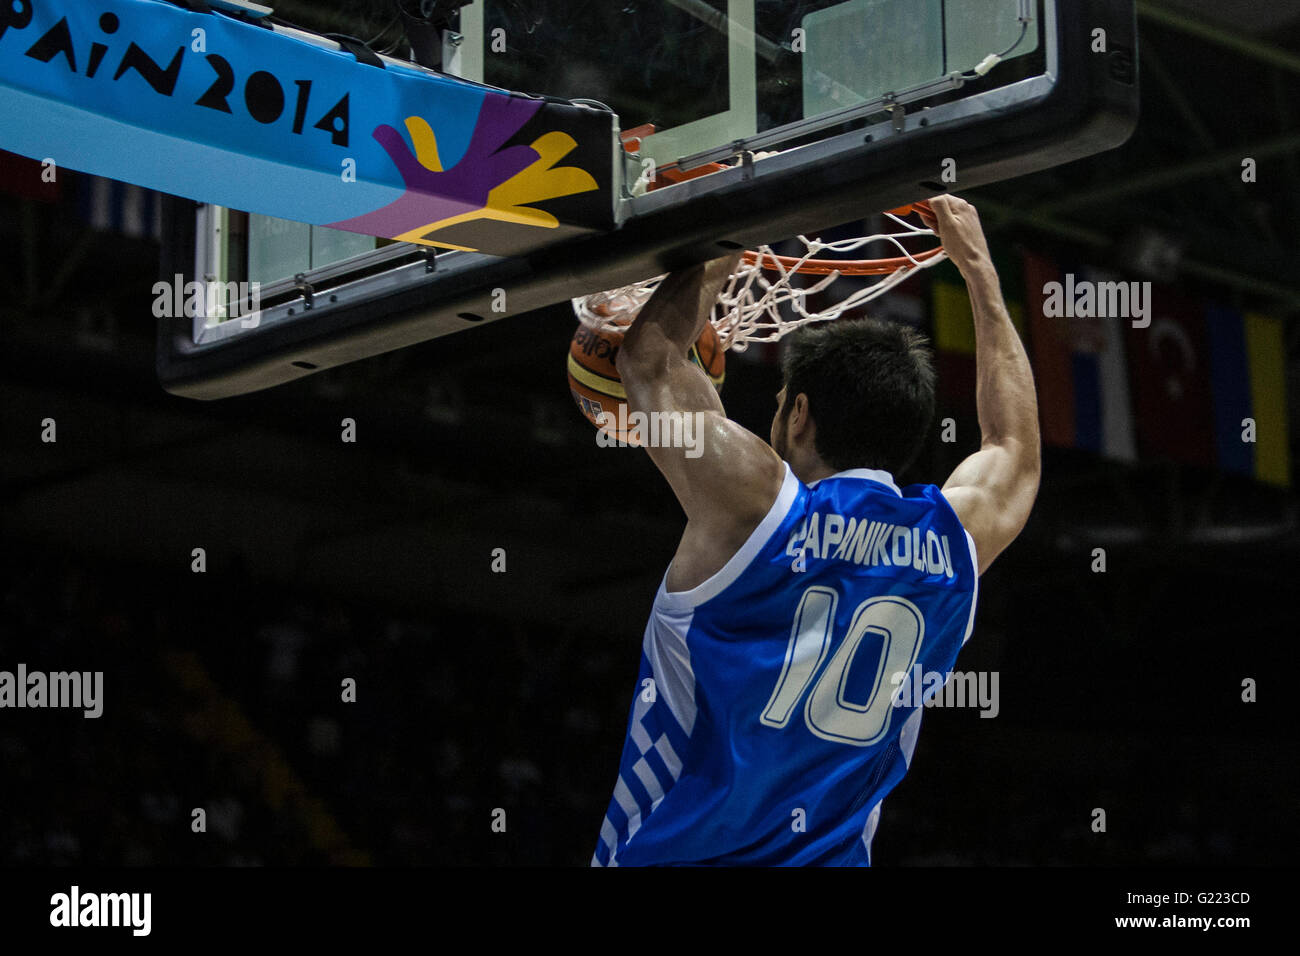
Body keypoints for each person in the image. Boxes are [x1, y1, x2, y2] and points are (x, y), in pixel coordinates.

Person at [591, 196, 1040, 866]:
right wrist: (979, 270)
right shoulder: (951, 543)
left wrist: (743, 219)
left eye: (780, 404)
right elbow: (1013, 445)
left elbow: (649, 363)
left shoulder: (755, 505)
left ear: (798, 414)